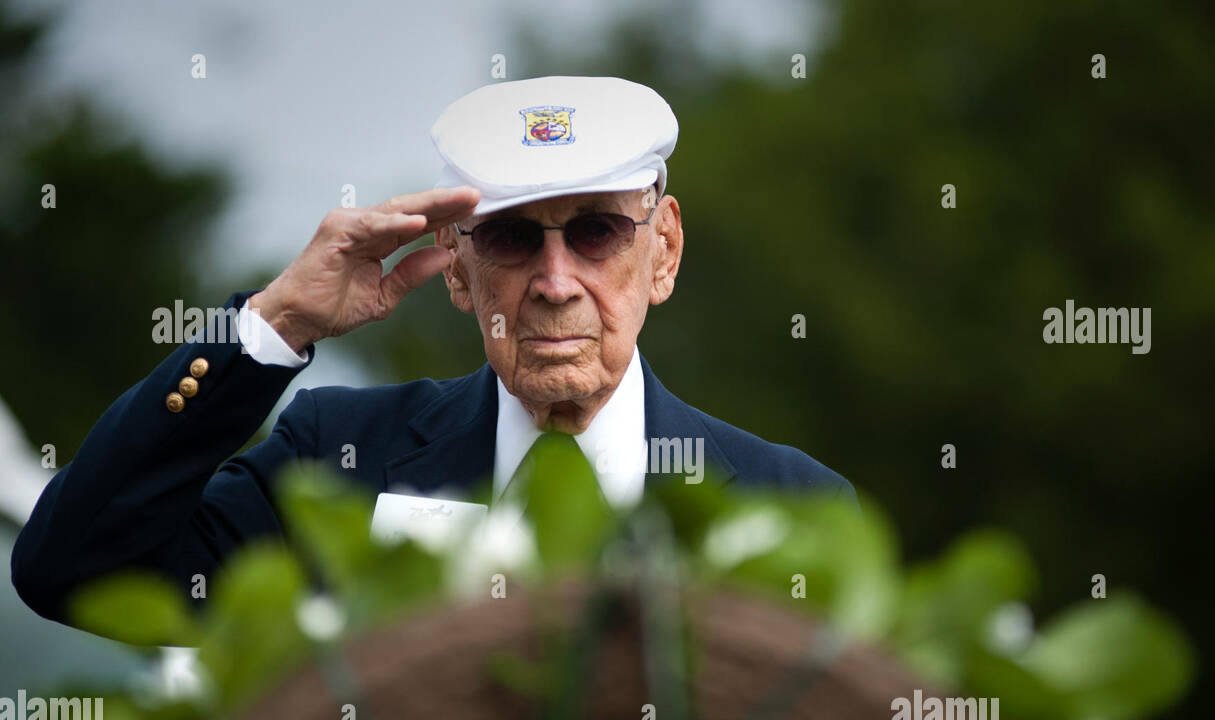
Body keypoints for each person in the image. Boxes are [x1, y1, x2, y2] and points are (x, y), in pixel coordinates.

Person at [12, 75, 856, 627]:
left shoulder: (793, 508)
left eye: (598, 232)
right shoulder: (336, 464)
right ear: (456, 268)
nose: (555, 283)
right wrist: (274, 326)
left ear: (662, 251)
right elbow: (72, 569)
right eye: (512, 240)